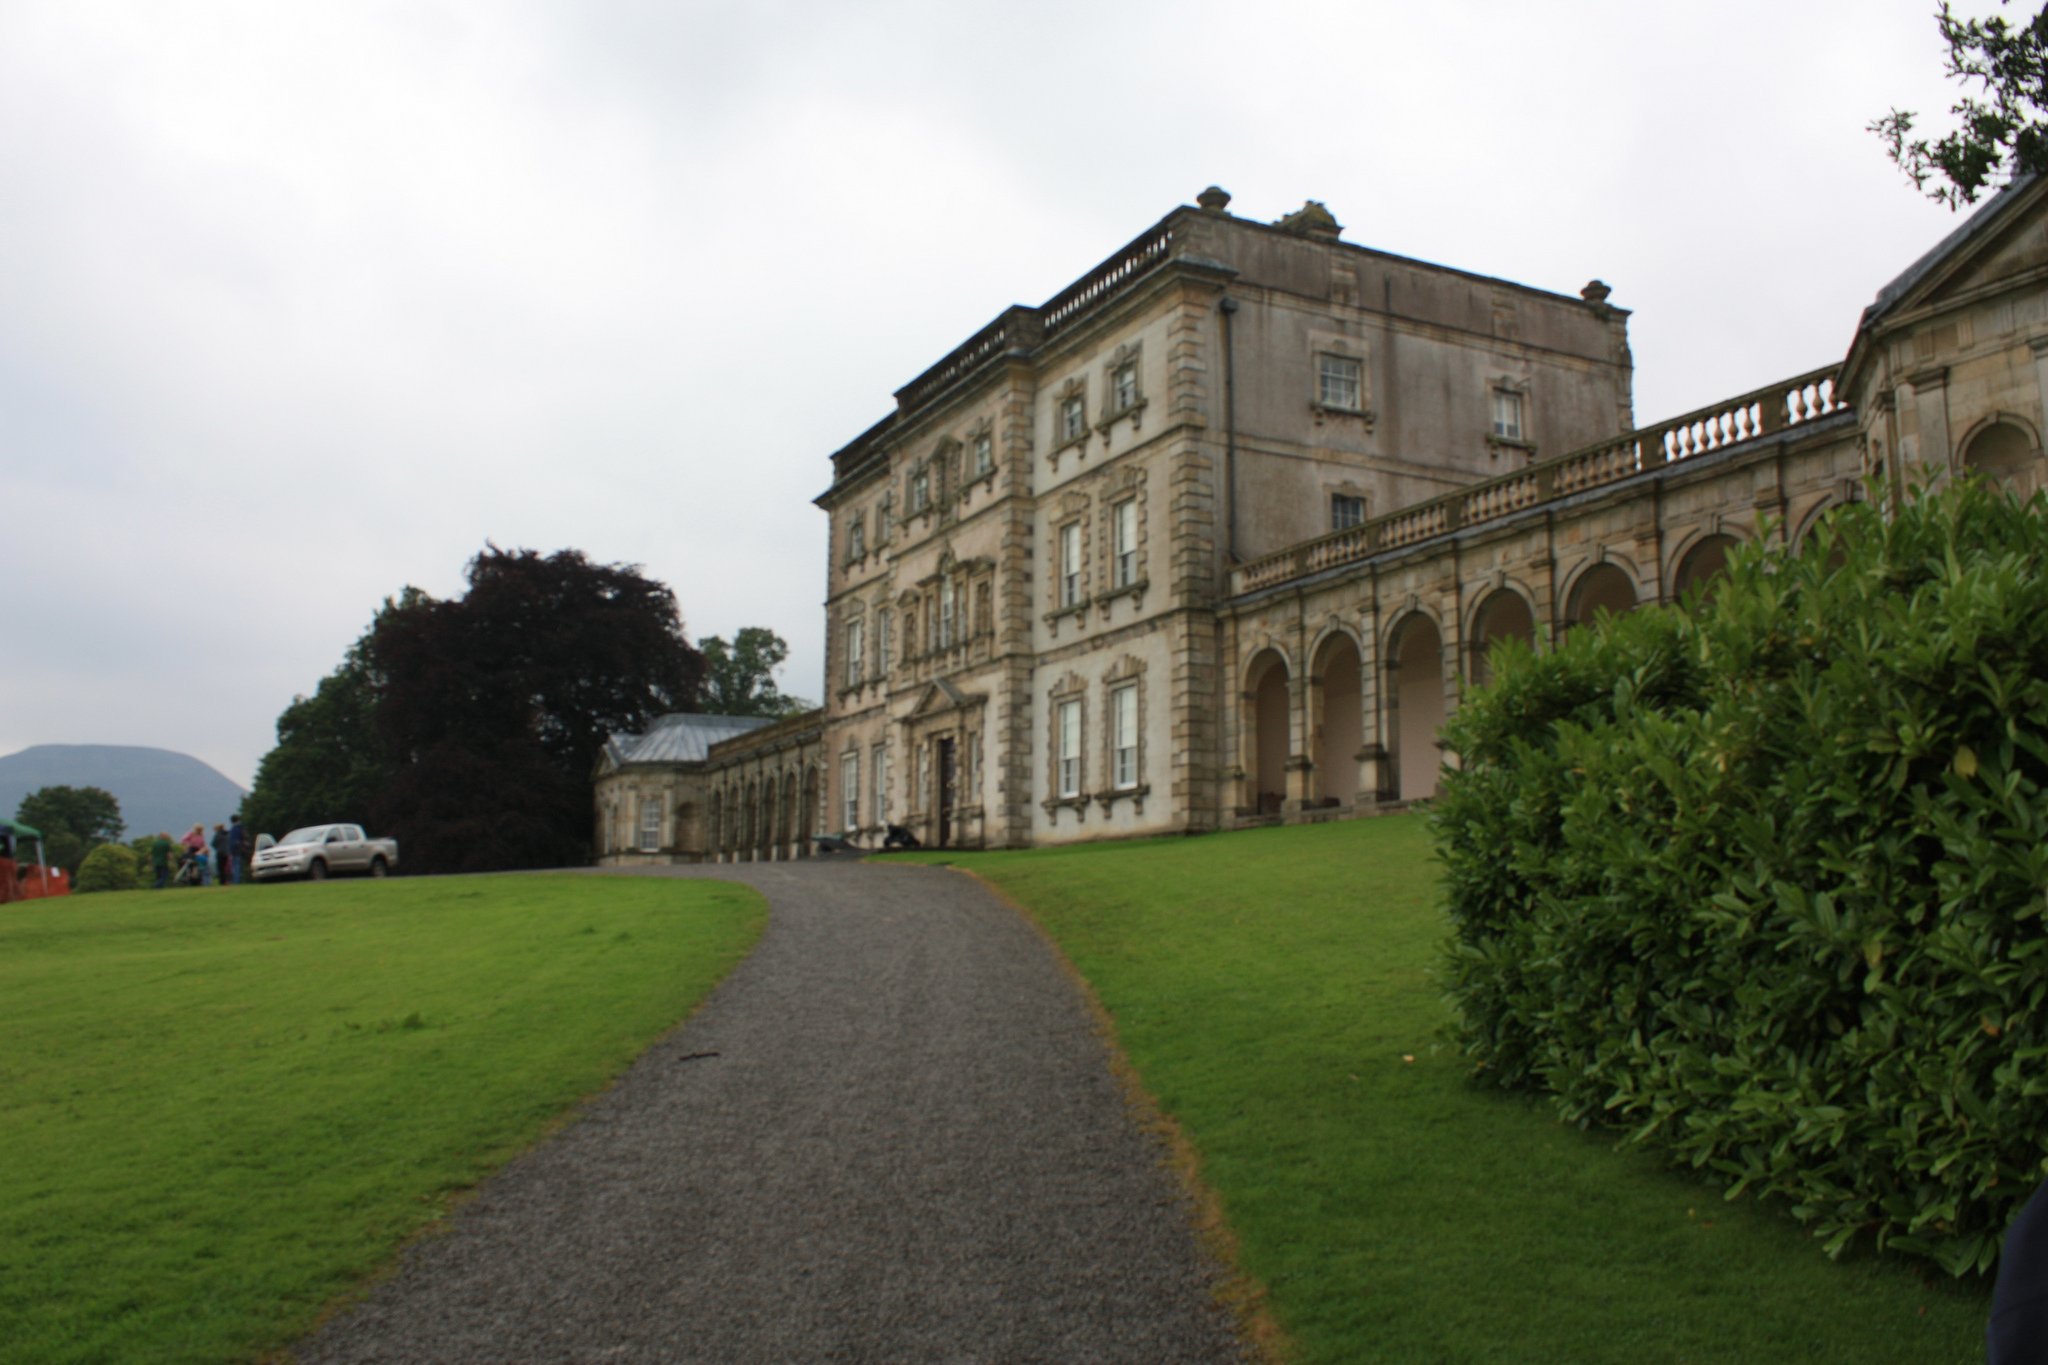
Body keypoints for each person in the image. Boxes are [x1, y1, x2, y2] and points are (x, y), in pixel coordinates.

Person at [211, 824, 231, 888]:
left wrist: (218, 848)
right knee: (224, 868)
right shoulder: (227, 834)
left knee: (220, 868)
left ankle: (222, 881)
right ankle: (225, 880)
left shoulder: (218, 835)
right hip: (226, 853)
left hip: (220, 853)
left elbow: (213, 843)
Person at [227, 815, 245, 886]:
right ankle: (237, 880)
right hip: (238, 847)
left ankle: (236, 880)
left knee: (235, 865)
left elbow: (232, 840)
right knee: (237, 864)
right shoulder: (240, 827)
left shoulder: (234, 828)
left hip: (234, 849)